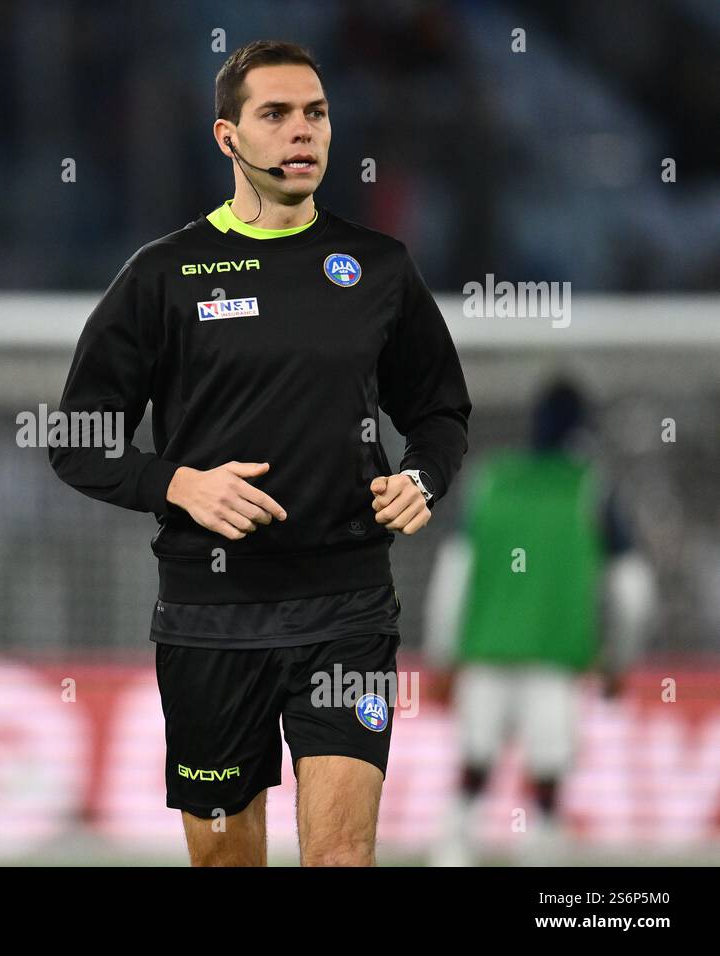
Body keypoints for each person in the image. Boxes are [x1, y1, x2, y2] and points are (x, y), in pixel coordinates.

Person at [49, 40, 471, 866]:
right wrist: (178, 484)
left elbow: (439, 411)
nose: (301, 131)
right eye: (275, 114)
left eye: (314, 113)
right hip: (210, 617)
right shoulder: (164, 276)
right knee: (224, 861)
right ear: (227, 137)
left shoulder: (378, 268)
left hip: (347, 608)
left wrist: (423, 475)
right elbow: (77, 437)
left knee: (341, 857)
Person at [423, 377, 655, 866]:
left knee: (473, 769)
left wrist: (442, 654)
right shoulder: (593, 489)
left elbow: (452, 575)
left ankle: (454, 850)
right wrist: (618, 659)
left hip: (486, 650)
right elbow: (633, 590)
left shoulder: (489, 481)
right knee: (547, 782)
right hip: (557, 655)